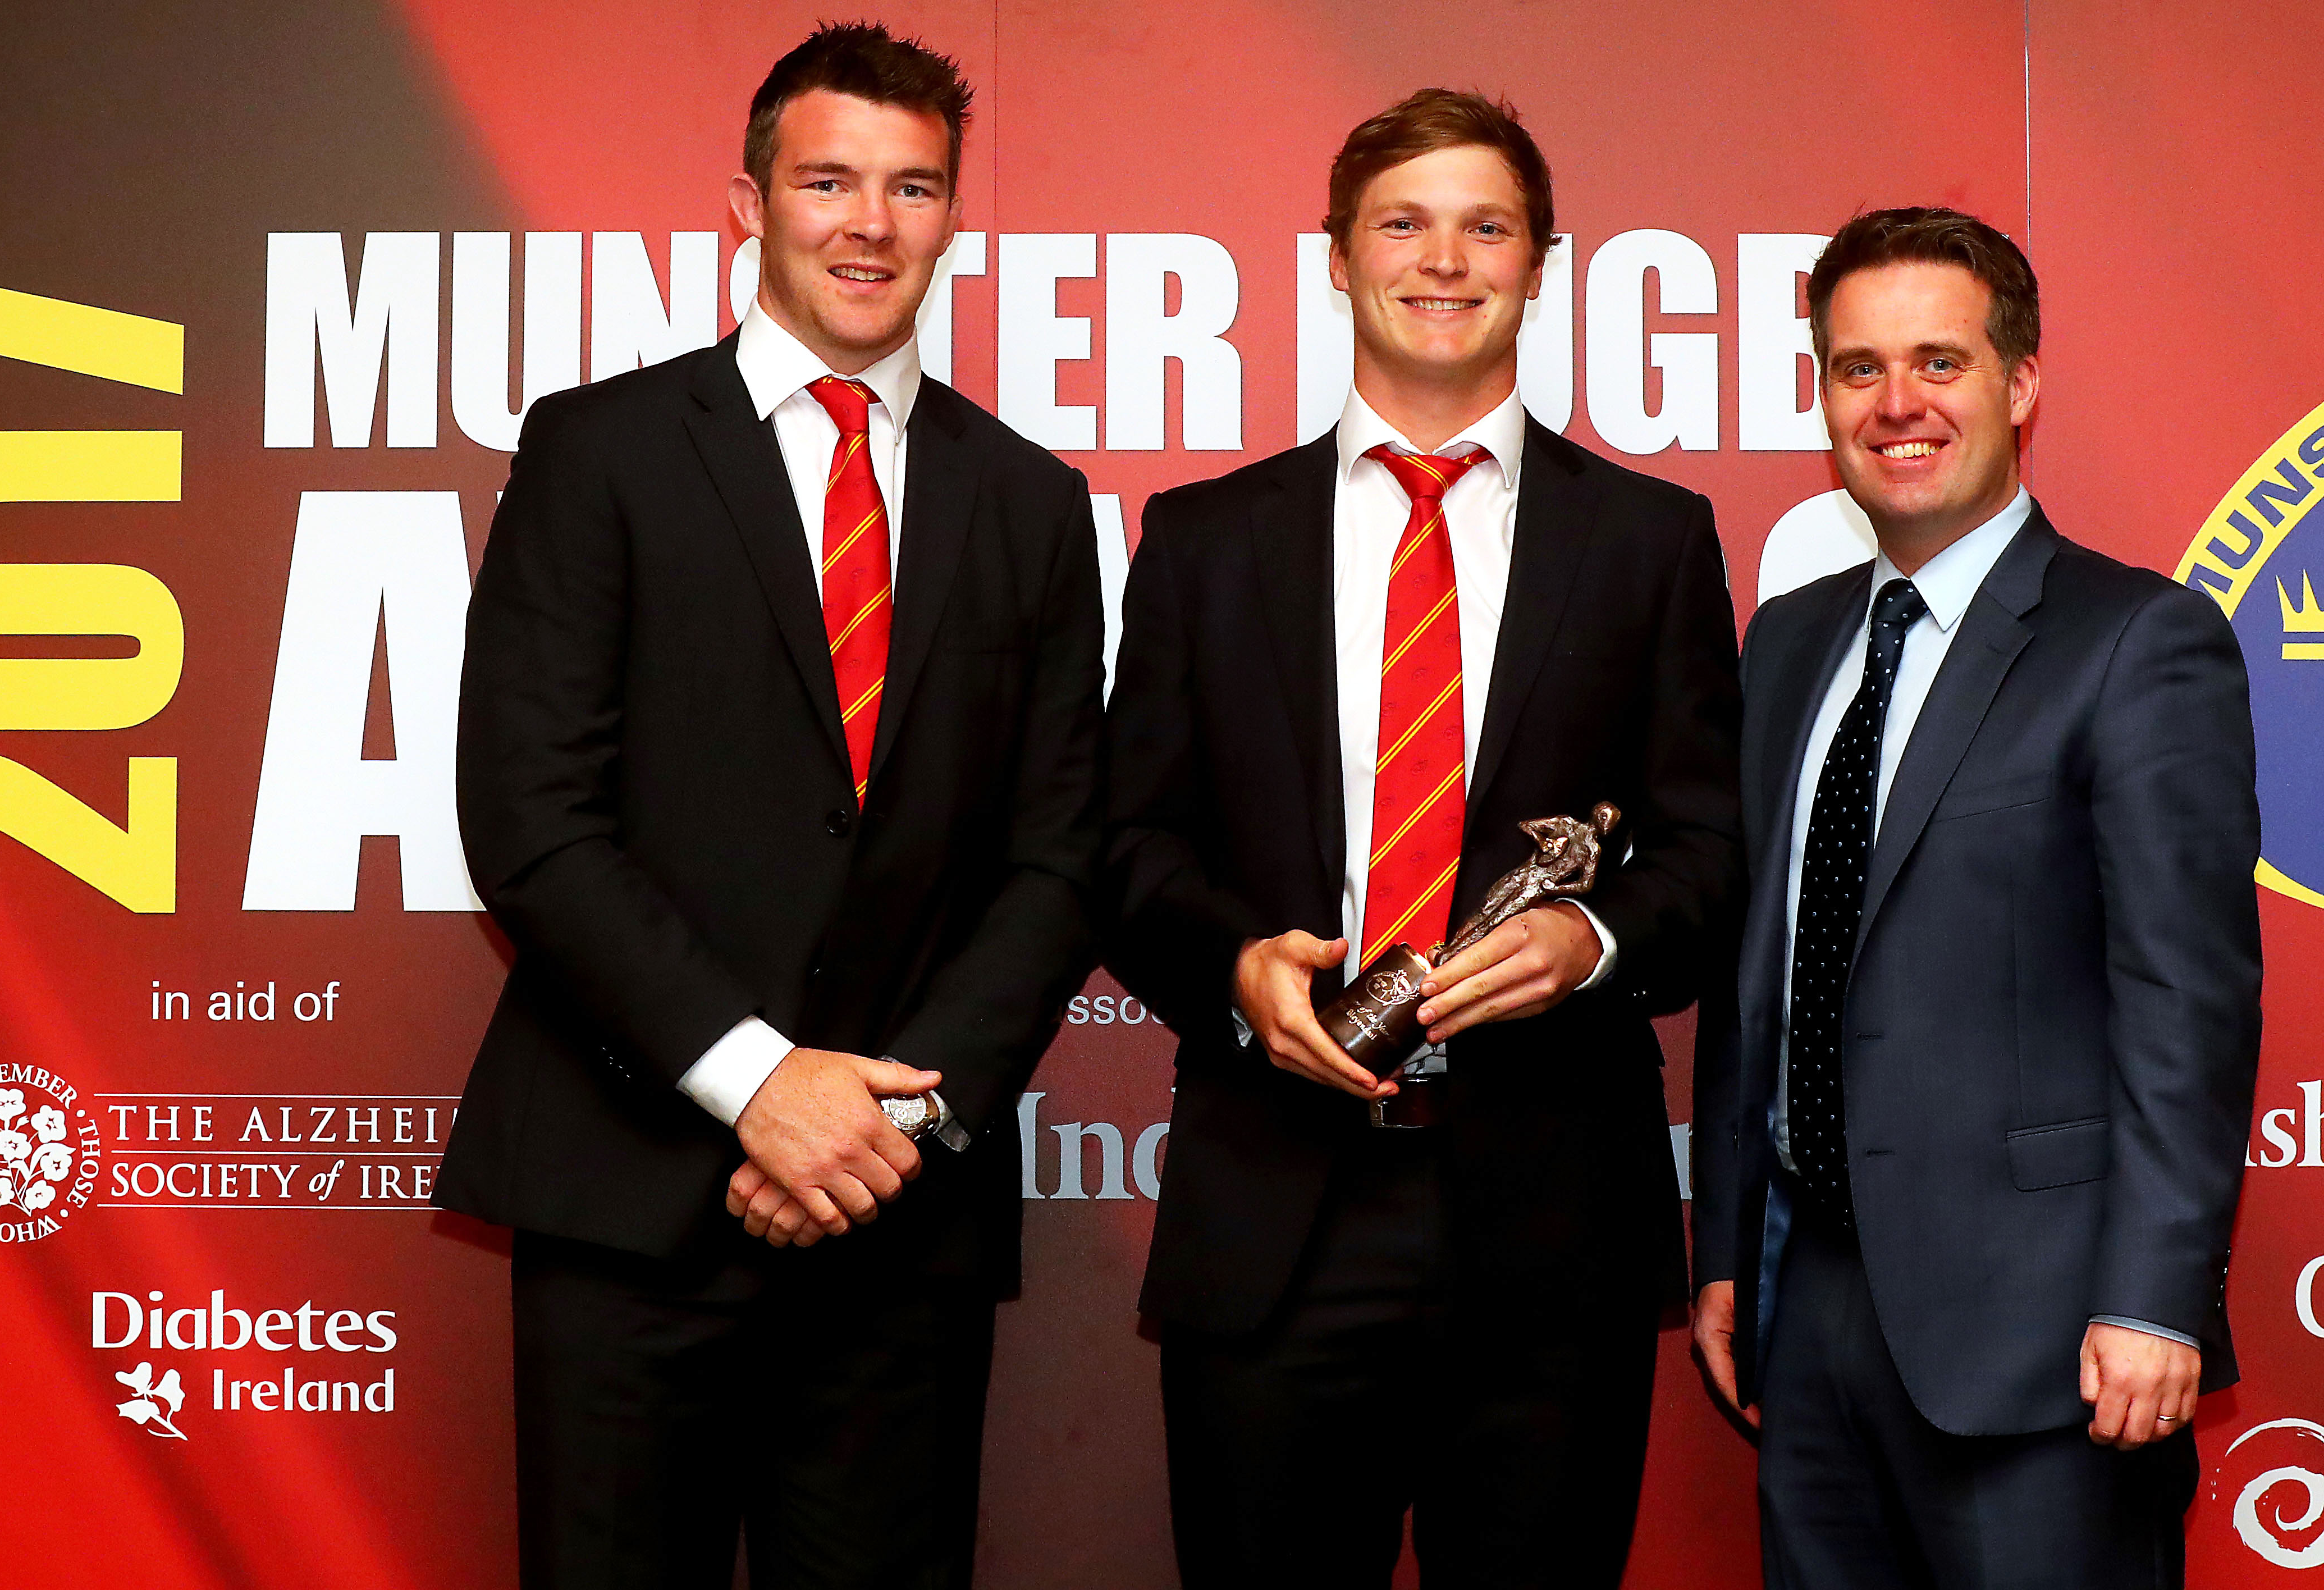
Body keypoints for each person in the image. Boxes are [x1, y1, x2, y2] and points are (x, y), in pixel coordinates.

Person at [433, 24, 1105, 1590]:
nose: (870, 222)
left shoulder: (1031, 502)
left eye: (912, 186)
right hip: (626, 1204)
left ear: (952, 217)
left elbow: (1059, 857)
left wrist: (880, 1126)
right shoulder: (598, 452)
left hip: (898, 1225)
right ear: (747, 203)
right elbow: (529, 820)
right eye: (828, 181)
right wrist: (758, 1086)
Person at [1102, 88, 1743, 1588]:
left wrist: (1591, 942)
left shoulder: (1650, 541)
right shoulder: (1203, 539)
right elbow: (1126, 846)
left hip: (1554, 1227)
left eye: (1486, 226)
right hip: (1274, 1216)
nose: (1443, 258)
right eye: (1403, 222)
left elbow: (1713, 854)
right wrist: (1240, 968)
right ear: (1335, 257)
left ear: (1542, 263)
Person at [1689, 207, 2261, 1589]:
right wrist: (1725, 1249)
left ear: (2018, 384)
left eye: (1938, 363)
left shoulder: (2137, 641)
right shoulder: (1788, 642)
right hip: (1802, 1307)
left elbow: (2186, 1004)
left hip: (2048, 1341)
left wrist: (2153, 1300)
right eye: (1856, 368)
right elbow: (1754, 971)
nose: (1896, 405)